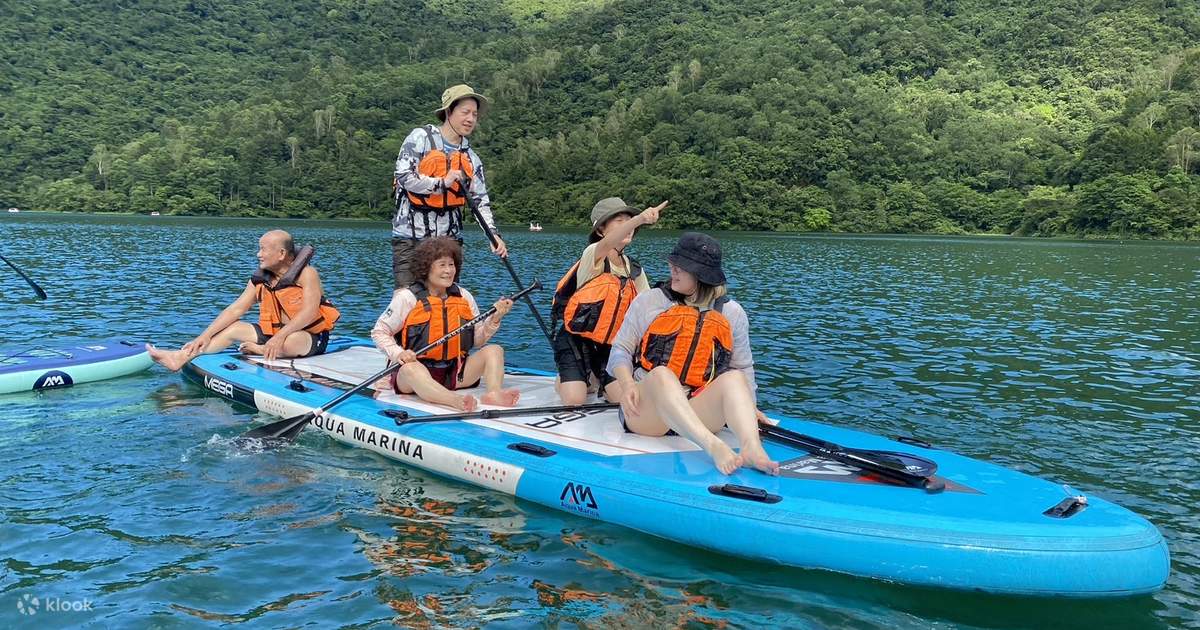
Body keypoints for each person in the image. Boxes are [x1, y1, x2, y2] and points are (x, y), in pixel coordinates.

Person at [607, 233, 779, 476]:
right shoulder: (649, 301)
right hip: (649, 414)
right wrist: (627, 385)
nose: (672, 269)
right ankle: (712, 445)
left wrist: (749, 407)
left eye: (681, 267)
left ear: (702, 275)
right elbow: (620, 350)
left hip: (698, 408)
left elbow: (743, 367)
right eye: (673, 263)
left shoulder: (732, 312)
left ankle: (752, 447)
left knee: (734, 377)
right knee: (661, 374)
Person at [147, 230, 340, 371]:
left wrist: (279, 337)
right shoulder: (260, 280)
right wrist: (204, 336)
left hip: (307, 337)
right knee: (234, 328)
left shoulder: (307, 274)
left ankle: (260, 349)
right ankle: (179, 357)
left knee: (292, 340)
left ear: (281, 254)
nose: (258, 254)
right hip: (273, 334)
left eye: (263, 249)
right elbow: (236, 310)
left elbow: (309, 312)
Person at [372, 237, 520, 411]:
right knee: (411, 369)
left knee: (494, 350)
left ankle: (494, 394)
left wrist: (495, 319)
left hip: (454, 372)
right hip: (416, 375)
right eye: (442, 265)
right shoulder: (407, 297)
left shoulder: (463, 296)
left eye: (451, 265)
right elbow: (379, 332)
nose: (449, 271)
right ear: (426, 268)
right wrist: (399, 353)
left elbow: (477, 341)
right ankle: (454, 401)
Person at [390, 84, 508, 290]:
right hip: (411, 239)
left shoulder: (471, 158)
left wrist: (493, 235)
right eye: (465, 112)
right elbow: (403, 175)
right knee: (406, 299)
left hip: (448, 241)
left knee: (446, 302)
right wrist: (441, 183)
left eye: (475, 114)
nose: (470, 119)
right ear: (448, 112)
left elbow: (480, 201)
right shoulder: (420, 138)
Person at [550, 197, 666, 405]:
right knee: (575, 400)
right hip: (576, 339)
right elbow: (608, 243)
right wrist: (639, 219)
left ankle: (595, 377)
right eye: (619, 221)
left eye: (629, 221)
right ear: (601, 230)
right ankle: (567, 379)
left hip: (610, 343)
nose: (628, 226)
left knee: (620, 399)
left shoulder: (634, 269)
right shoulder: (593, 255)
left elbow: (647, 308)